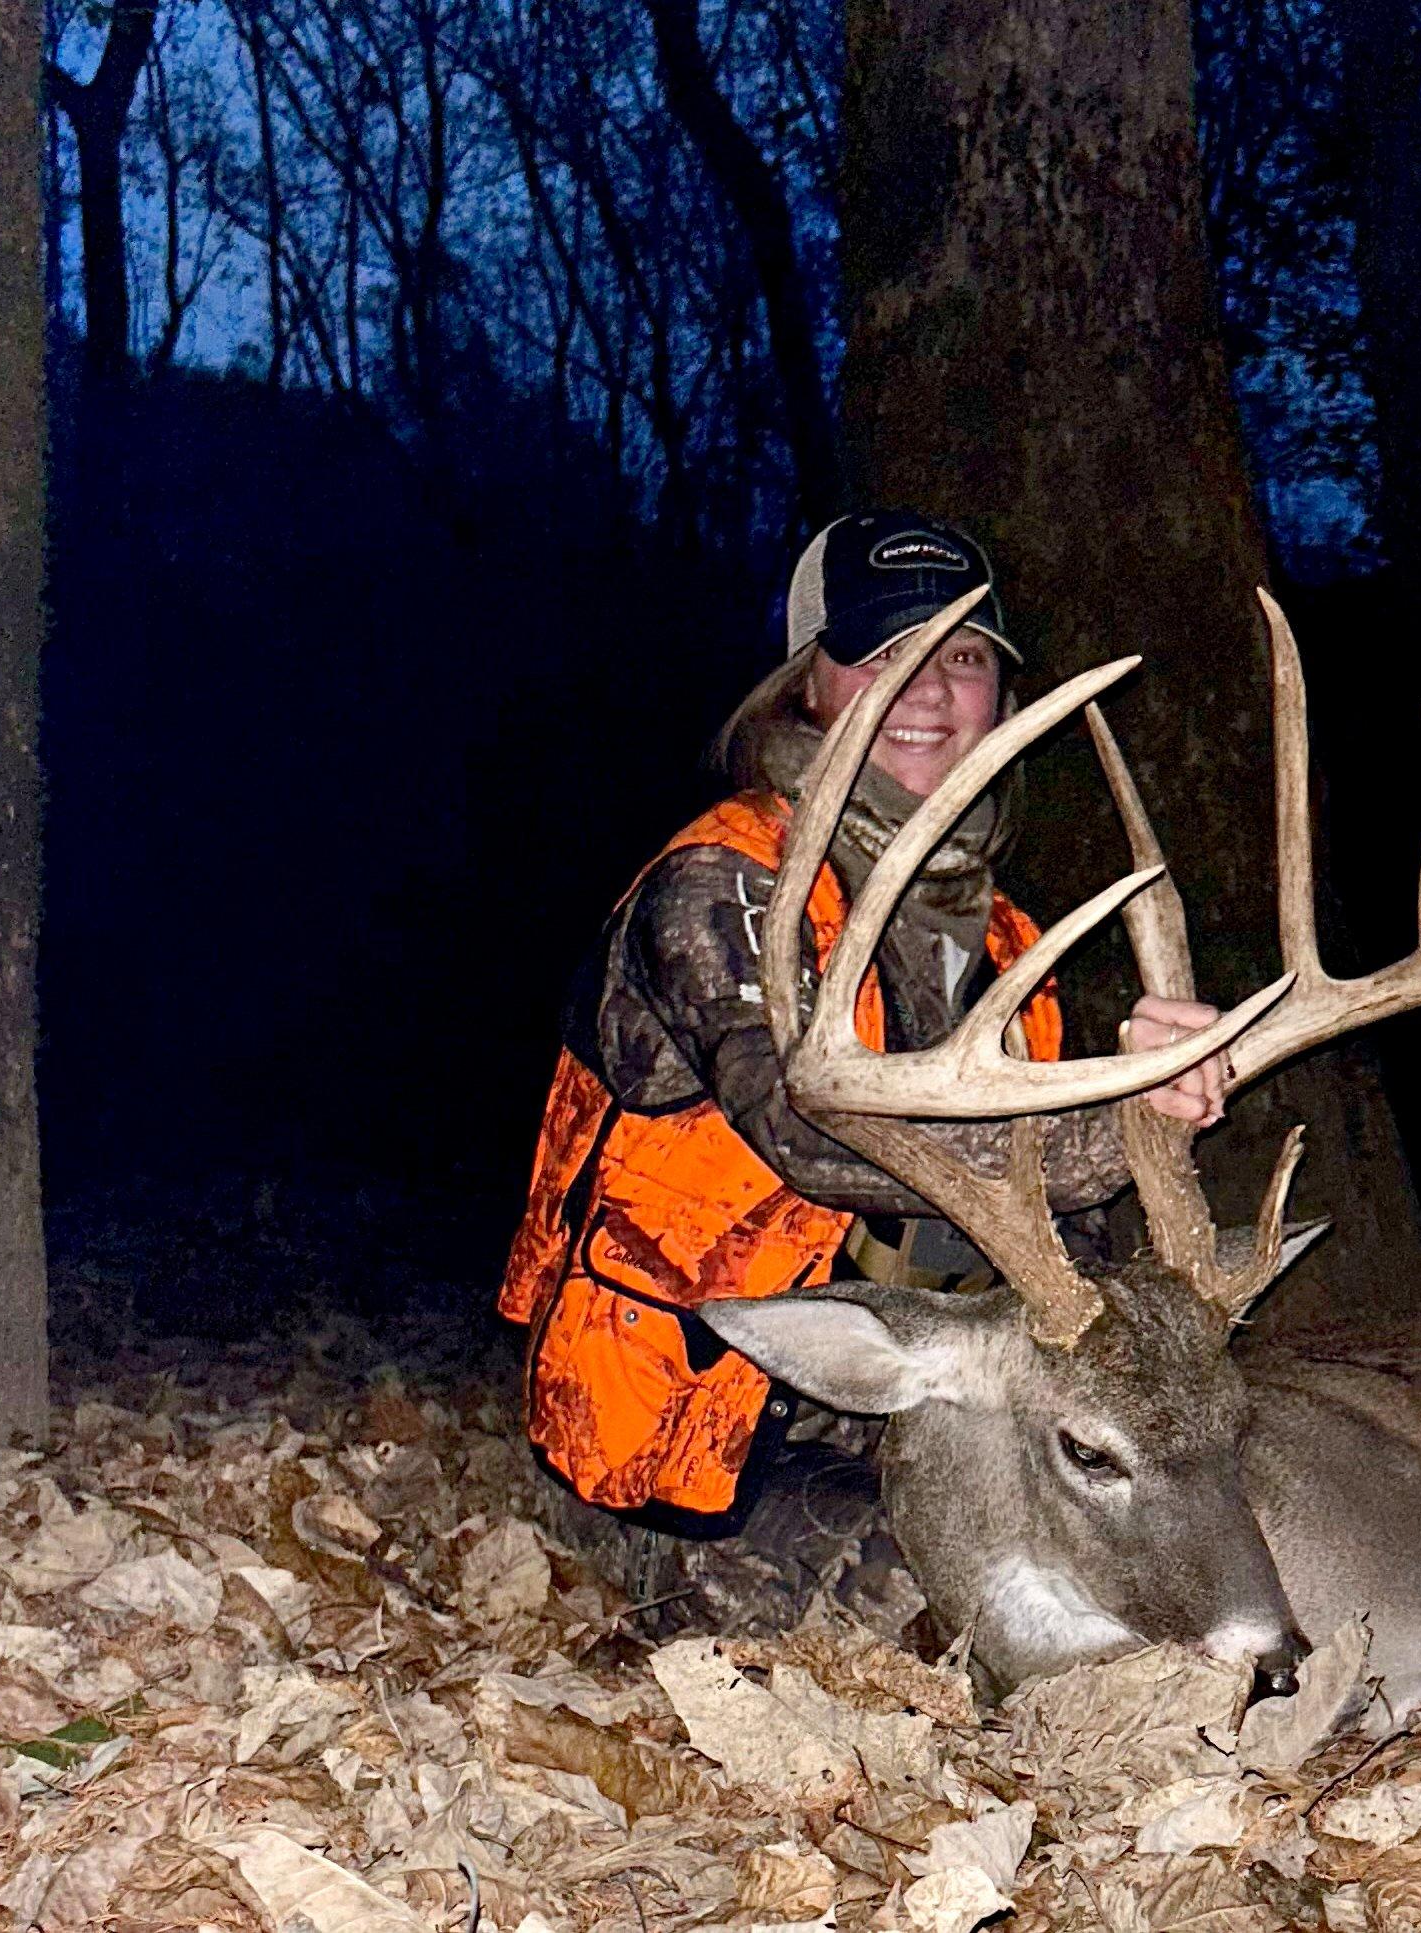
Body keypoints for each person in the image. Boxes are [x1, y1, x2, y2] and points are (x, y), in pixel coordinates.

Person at [496, 510, 1225, 1601]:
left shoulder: (1013, 943)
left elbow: (1056, 1238)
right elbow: (814, 1132)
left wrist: (1155, 1123)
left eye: (964, 656)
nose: (925, 691)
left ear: (1000, 703)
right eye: (882, 655)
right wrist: (1120, 1125)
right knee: (960, 1598)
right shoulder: (719, 886)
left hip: (911, 1387)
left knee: (1162, 1535)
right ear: (806, 688)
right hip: (686, 1425)